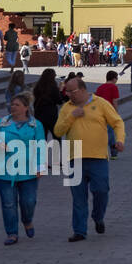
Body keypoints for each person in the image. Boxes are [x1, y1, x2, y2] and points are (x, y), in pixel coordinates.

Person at [54, 75, 126, 241]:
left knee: (101, 191)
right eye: (67, 91)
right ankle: (79, 231)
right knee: (78, 197)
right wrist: (72, 116)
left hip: (98, 157)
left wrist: (119, 140)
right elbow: (57, 131)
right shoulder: (66, 108)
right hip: (74, 158)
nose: (69, 94)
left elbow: (117, 122)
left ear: (83, 89)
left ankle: (98, 216)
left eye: (72, 91)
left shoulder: (100, 104)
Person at [0, 93, 47, 245]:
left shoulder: (35, 125)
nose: (12, 107)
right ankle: (12, 233)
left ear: (26, 108)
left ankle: (27, 220)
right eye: (12, 105)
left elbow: (41, 146)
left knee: (29, 201)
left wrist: (40, 166)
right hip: (5, 170)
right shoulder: (2, 123)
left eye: (16, 105)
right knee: (8, 203)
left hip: (28, 170)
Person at [31, 69, 61, 144]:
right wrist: (60, 90)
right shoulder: (53, 88)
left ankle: (41, 152)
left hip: (39, 113)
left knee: (42, 135)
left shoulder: (38, 86)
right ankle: (56, 150)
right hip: (51, 114)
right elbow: (59, 101)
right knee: (56, 134)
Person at [96, 71, 121, 160]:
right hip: (109, 113)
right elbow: (114, 101)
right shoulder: (113, 87)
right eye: (116, 78)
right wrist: (116, 113)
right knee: (110, 133)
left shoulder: (100, 87)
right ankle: (113, 153)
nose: (117, 80)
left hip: (99, 113)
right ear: (113, 78)